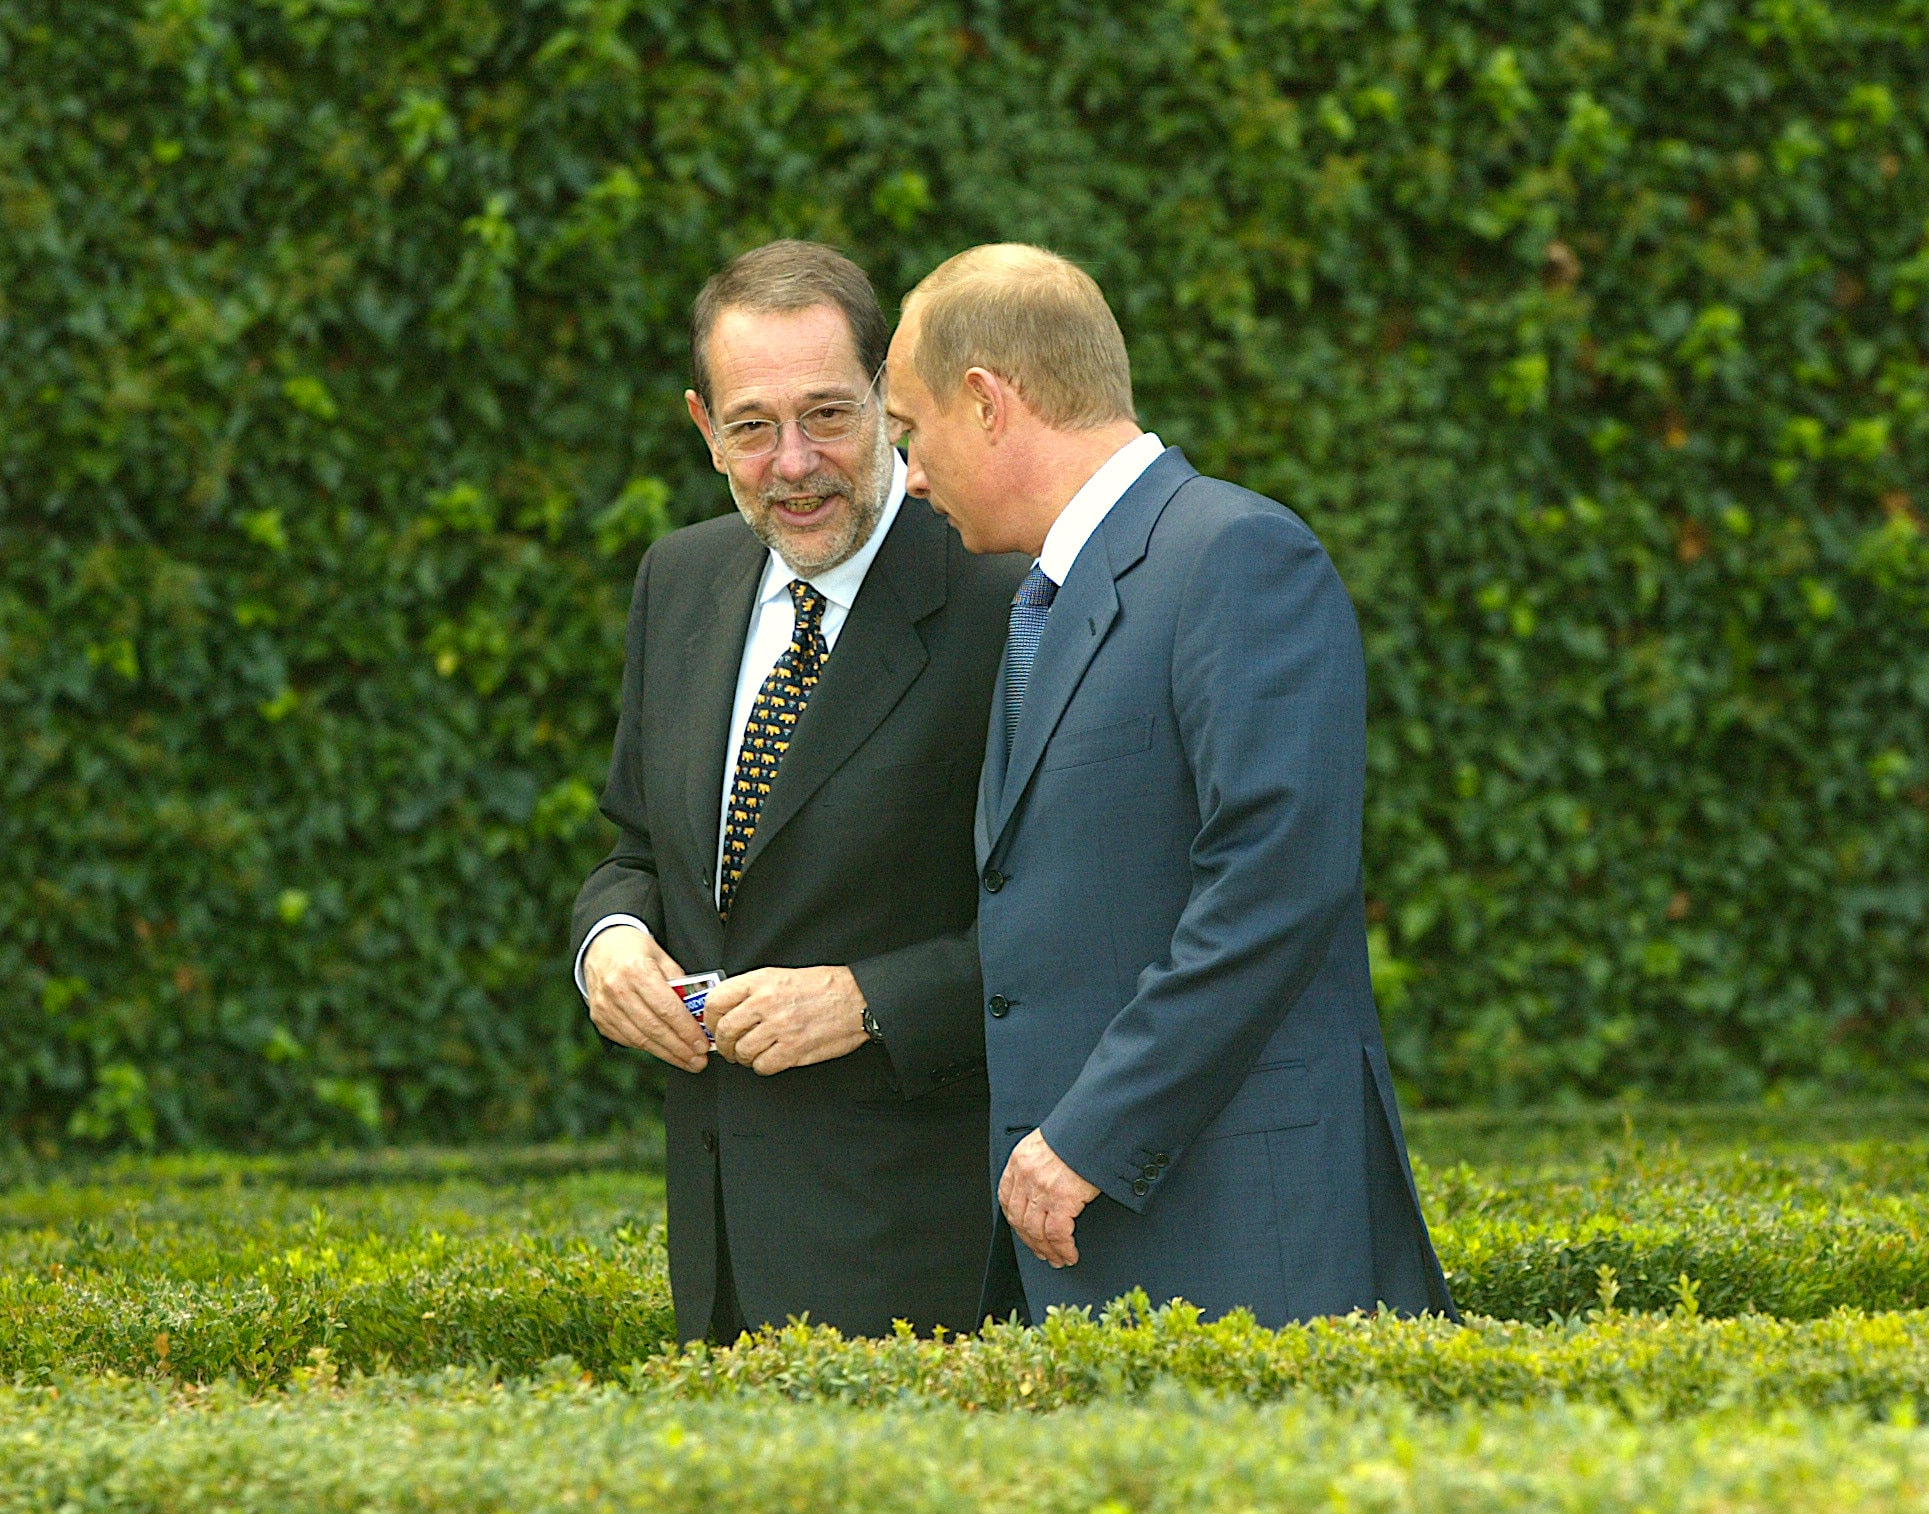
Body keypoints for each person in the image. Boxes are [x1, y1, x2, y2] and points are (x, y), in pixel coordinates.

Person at [880, 243, 1455, 1326]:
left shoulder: (1237, 554)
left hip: (1234, 1236)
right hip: (1093, 1240)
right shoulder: (1042, 597)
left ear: (986, 401)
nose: (907, 474)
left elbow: (1273, 890)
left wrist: (1086, 1135)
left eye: (910, 433)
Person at [571, 241, 1024, 1342]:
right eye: (750, 426)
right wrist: (611, 942)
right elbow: (636, 849)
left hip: (927, 1254)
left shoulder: (1007, 598)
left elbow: (1083, 923)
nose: (792, 462)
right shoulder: (675, 582)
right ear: (700, 424)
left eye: (827, 415)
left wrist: (870, 999)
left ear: (888, 399)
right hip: (717, 1259)